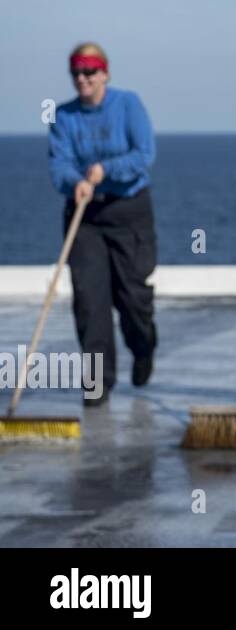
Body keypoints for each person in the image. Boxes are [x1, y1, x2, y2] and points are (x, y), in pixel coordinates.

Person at [47, 42, 157, 405]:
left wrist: (107, 169)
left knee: (132, 298)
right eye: (76, 73)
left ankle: (143, 346)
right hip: (86, 215)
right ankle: (97, 383)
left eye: (89, 72)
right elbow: (59, 164)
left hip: (129, 211)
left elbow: (144, 154)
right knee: (90, 303)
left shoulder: (128, 104)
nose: (82, 79)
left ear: (105, 73)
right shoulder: (63, 116)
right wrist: (73, 181)